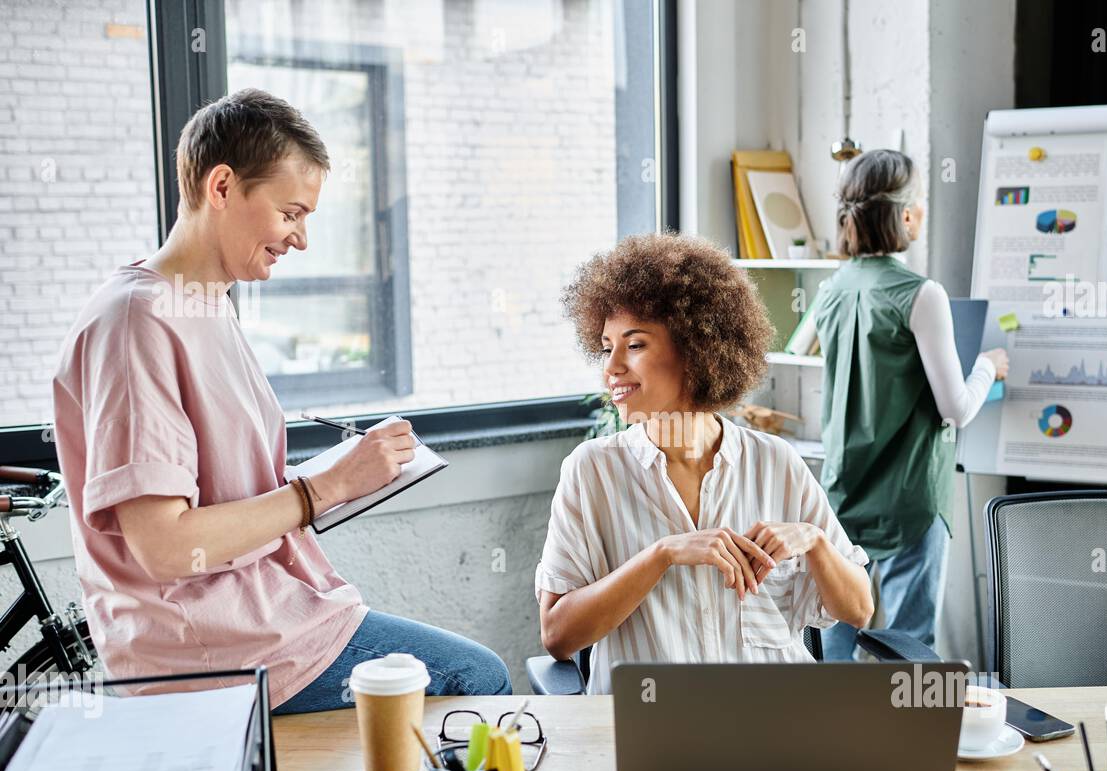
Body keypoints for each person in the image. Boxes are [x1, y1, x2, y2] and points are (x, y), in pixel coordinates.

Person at [51, 89, 510, 713]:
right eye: (291, 213)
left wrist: (339, 474)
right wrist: (322, 489)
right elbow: (163, 545)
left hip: (266, 618)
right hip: (213, 650)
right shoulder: (137, 321)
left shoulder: (206, 303)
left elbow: (219, 491)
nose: (300, 239)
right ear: (221, 187)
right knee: (478, 681)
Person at [535, 233, 874, 694]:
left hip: (776, 716)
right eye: (606, 346)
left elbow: (859, 610)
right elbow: (557, 637)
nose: (611, 366)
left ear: (697, 350)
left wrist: (814, 541)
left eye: (634, 345)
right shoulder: (591, 471)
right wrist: (663, 554)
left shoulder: (776, 462)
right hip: (653, 724)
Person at [815, 149, 1009, 658]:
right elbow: (957, 408)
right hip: (908, 500)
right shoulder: (922, 295)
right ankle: (900, 738)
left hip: (841, 495)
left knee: (836, 634)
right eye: (919, 201)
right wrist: (988, 366)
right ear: (903, 214)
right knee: (905, 651)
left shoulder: (832, 288)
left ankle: (829, 735)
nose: (922, 210)